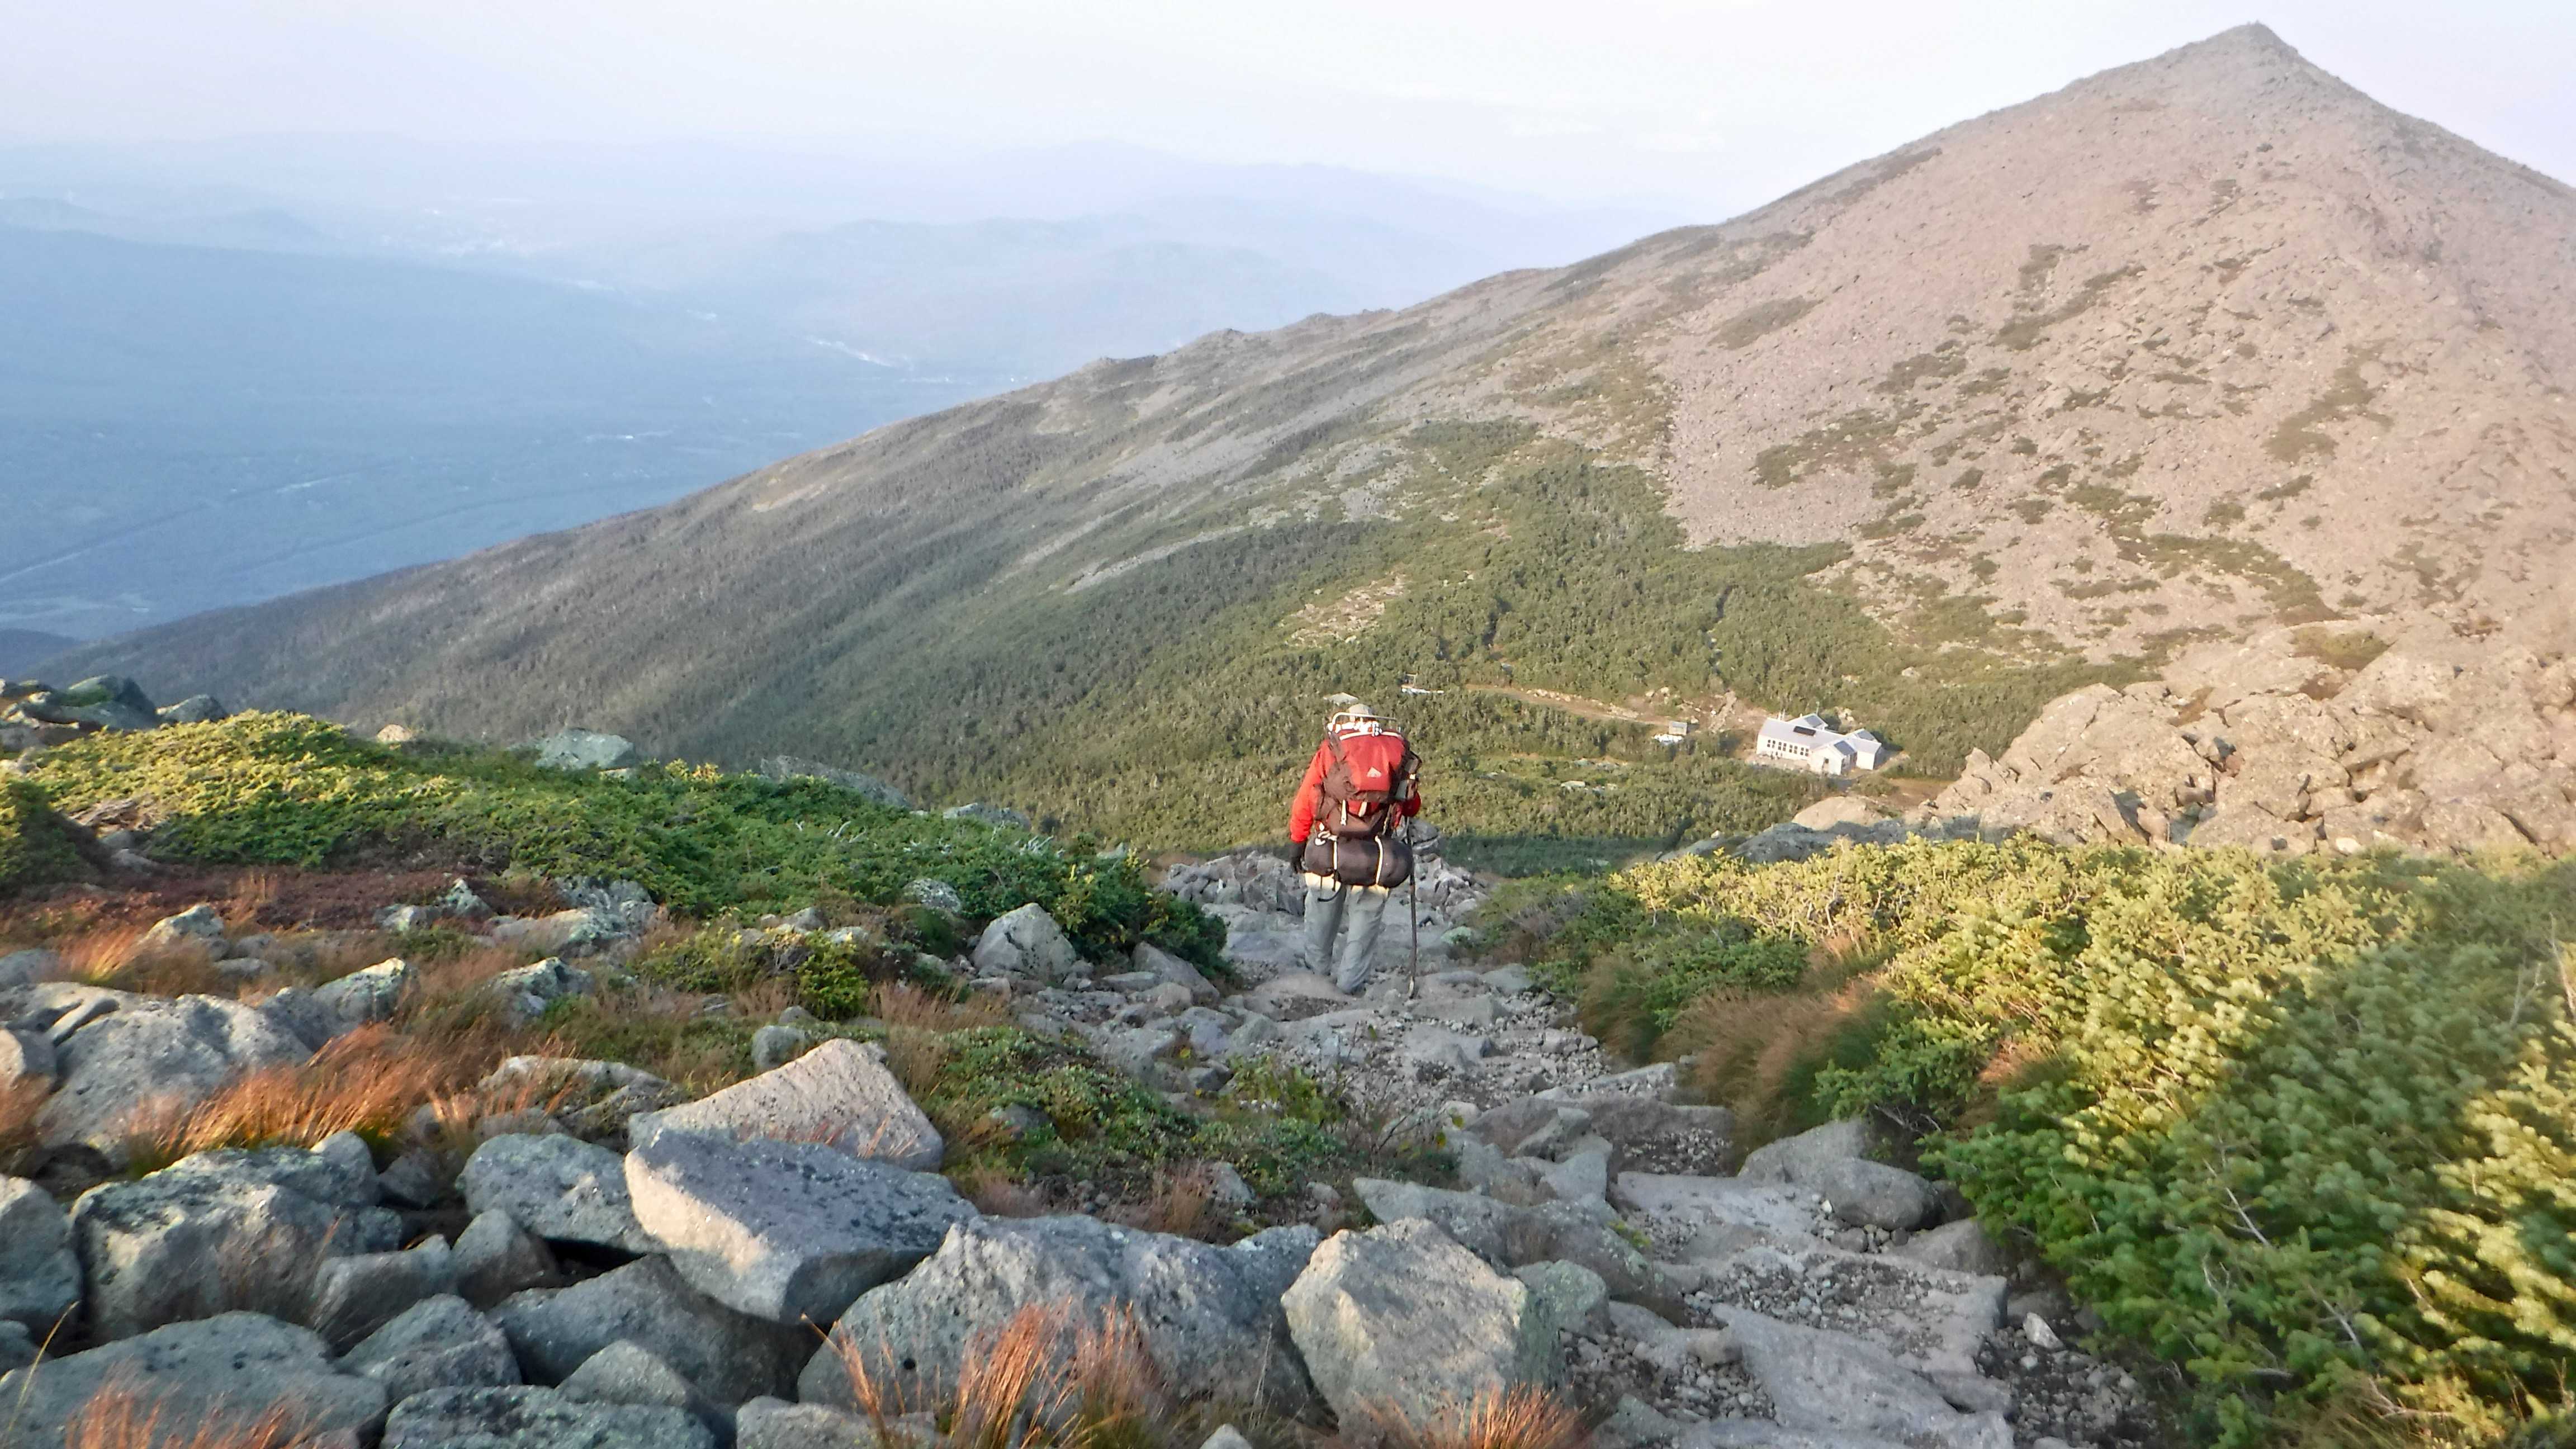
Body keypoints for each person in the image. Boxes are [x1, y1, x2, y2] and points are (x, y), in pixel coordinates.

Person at [1286, 702, 1422, 994]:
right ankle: (1350, 985)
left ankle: (1317, 979)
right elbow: (1411, 804)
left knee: (1323, 909)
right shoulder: (1395, 751)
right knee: (1366, 917)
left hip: (1330, 848)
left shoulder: (1333, 748)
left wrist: (1298, 843)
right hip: (1377, 854)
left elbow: (1307, 798)